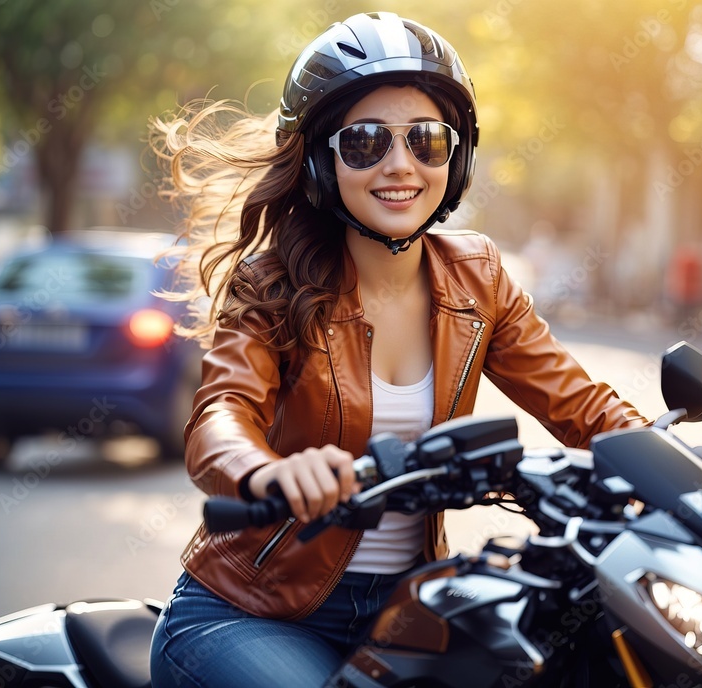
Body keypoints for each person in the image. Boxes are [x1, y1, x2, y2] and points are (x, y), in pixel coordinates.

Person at [148, 12, 649, 688]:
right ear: (321, 160)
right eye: (363, 143)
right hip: (250, 613)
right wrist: (268, 473)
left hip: (407, 609)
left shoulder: (481, 279)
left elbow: (582, 407)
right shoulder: (271, 284)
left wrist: (668, 466)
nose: (399, 166)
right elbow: (220, 417)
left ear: (456, 155)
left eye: (425, 141)